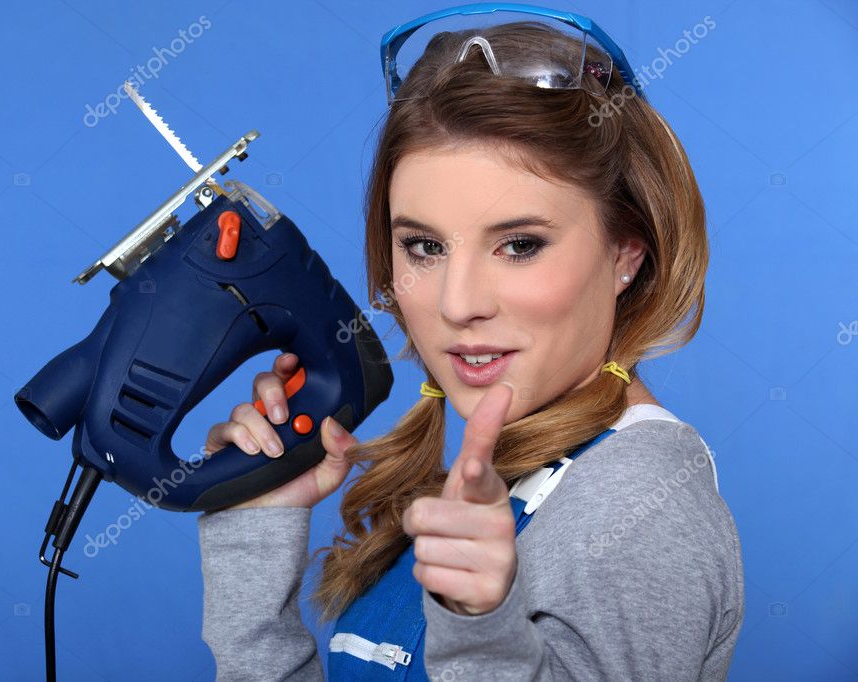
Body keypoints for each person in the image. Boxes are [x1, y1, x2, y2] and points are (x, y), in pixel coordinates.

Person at [197, 5, 744, 680]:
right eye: (423, 247)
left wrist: (482, 633)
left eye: (519, 245)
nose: (457, 304)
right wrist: (254, 538)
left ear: (625, 255)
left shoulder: (632, 500)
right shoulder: (507, 478)